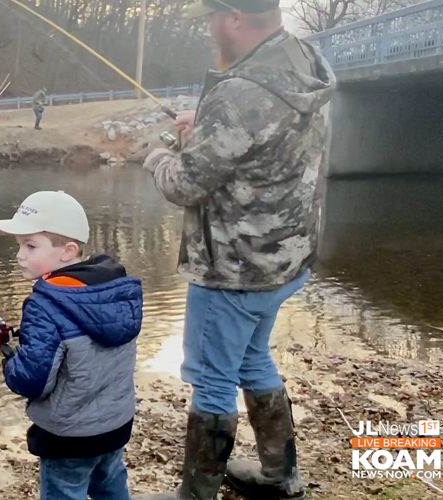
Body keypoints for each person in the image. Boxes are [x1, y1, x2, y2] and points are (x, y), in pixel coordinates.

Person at [137, 0, 335, 498]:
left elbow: (184, 184)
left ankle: (196, 494)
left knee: (213, 379)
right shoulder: (302, 61)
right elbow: (255, 133)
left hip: (234, 268)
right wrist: (204, 126)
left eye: (210, 19)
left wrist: (160, 154)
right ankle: (279, 476)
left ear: (234, 18)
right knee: (252, 360)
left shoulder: (239, 95)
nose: (208, 31)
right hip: (286, 259)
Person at [0, 190, 143, 500]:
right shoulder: (117, 289)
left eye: (30, 245)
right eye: (19, 246)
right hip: (116, 425)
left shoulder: (44, 305)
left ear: (68, 251)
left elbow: (32, 381)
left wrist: (9, 359)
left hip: (69, 437)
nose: (20, 255)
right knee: (111, 485)